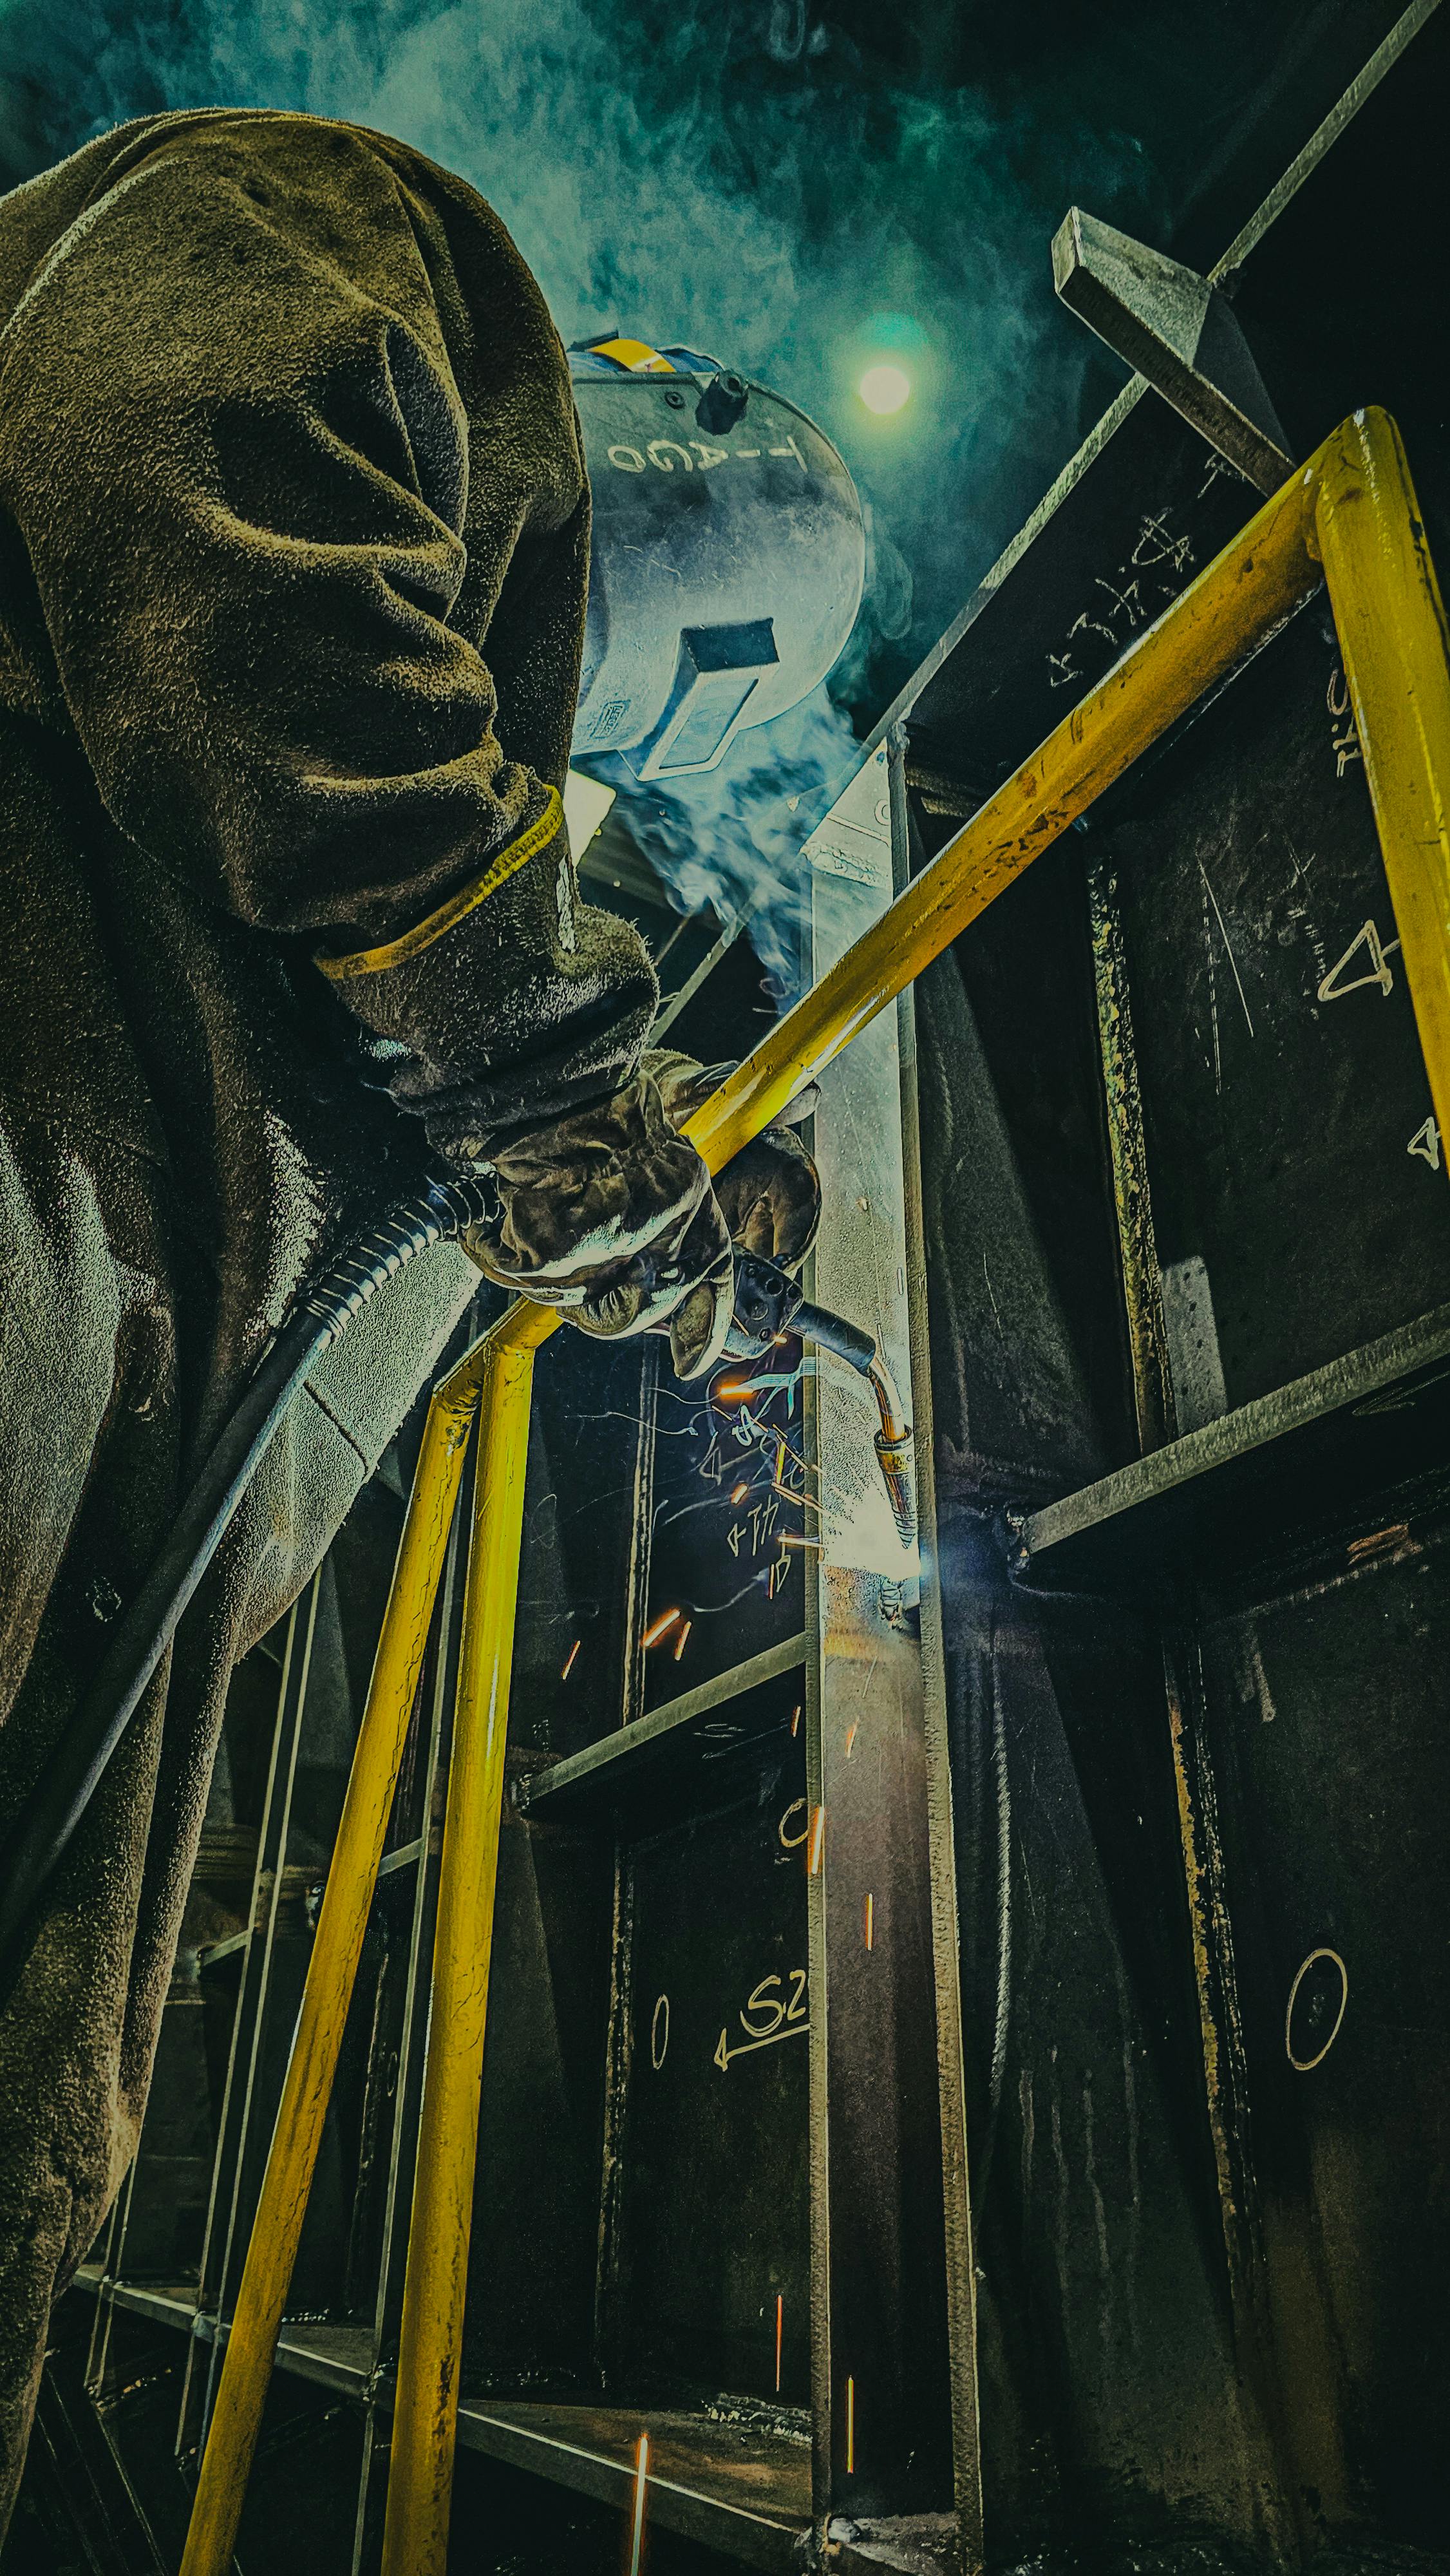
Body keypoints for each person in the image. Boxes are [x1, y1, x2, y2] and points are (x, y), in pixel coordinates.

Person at [0, 107, 816, 2521]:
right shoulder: (343, 242)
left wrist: (620, 1161)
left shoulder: (315, 1010)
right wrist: (544, 1069)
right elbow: (177, 417)